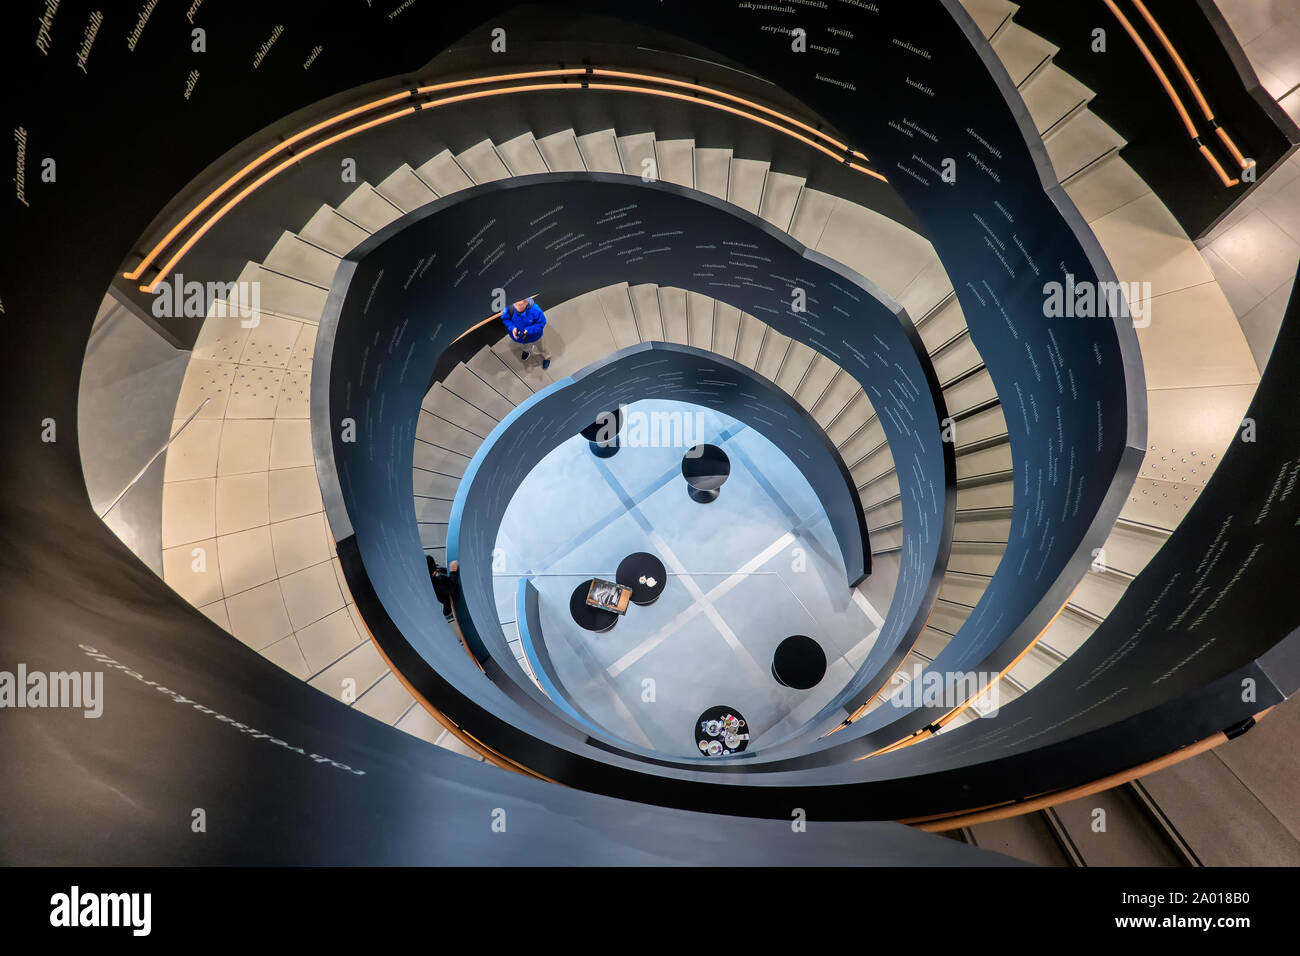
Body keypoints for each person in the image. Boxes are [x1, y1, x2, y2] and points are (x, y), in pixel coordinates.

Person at [500, 296, 550, 369]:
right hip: (522, 338)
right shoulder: (509, 307)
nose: (516, 307)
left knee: (541, 348)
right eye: (515, 304)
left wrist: (529, 330)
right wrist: (512, 327)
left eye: (519, 305)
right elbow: (505, 319)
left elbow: (541, 323)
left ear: (526, 302)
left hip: (535, 336)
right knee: (525, 346)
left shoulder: (535, 310)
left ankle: (547, 357)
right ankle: (527, 351)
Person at [427, 556, 460, 621]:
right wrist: (453, 572)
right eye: (434, 573)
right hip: (452, 601)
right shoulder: (434, 584)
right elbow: (450, 588)